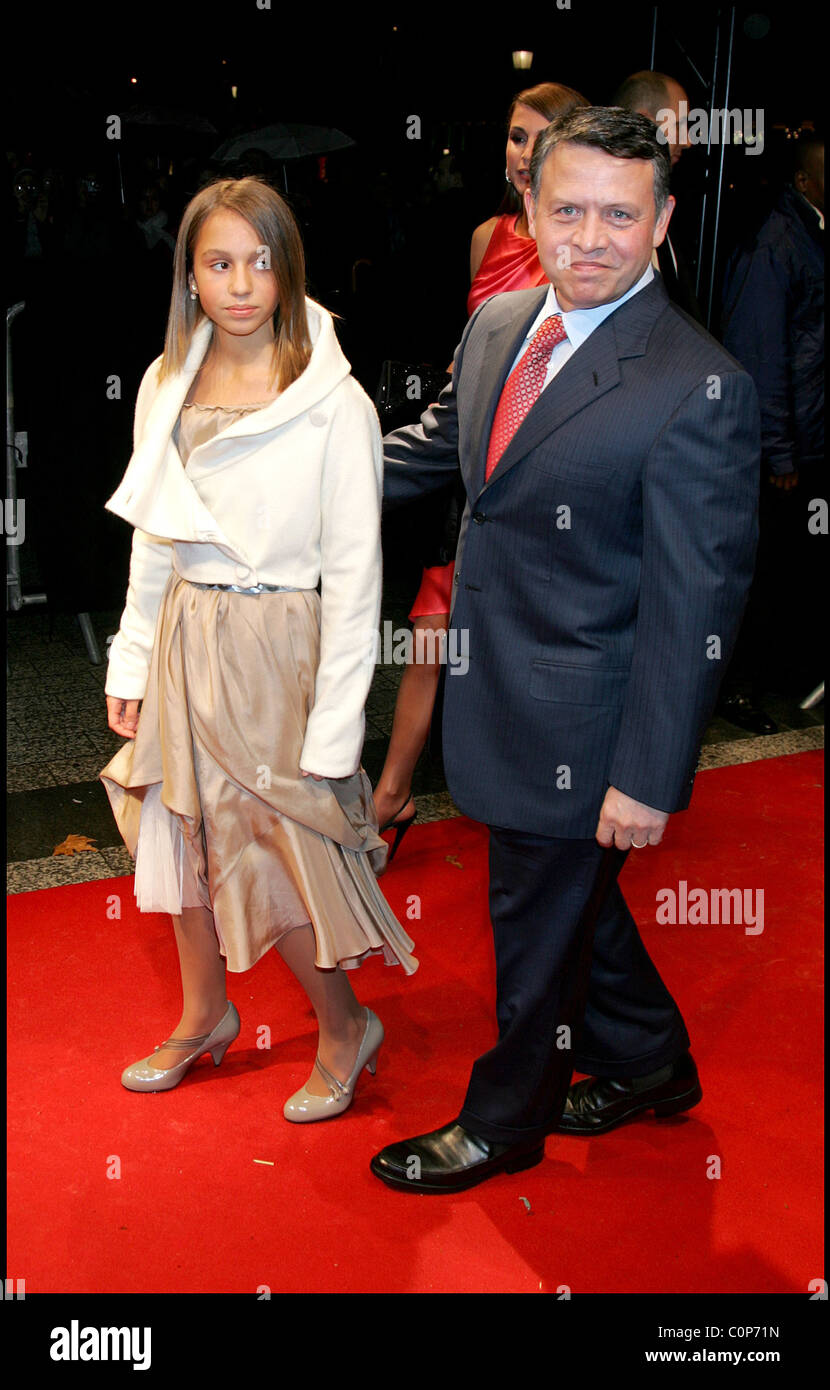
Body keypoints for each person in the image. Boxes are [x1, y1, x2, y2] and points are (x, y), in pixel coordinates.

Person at [371, 107, 759, 1194]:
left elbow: (695, 607)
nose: (590, 238)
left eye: (619, 216)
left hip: (585, 723)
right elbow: (442, 451)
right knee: (572, 904)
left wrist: (646, 775)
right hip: (492, 686)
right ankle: (645, 1061)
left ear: (663, 219)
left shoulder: (697, 386)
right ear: (529, 210)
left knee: (531, 921)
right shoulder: (502, 325)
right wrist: (290, 476)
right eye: (568, 209)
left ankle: (505, 1118)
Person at [100, 176, 417, 1124]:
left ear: (289, 269)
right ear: (189, 275)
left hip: (281, 646)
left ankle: (345, 1024)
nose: (241, 284)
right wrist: (129, 661)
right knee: (179, 832)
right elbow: (154, 536)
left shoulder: (336, 400)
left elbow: (359, 578)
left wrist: (337, 723)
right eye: (219, 263)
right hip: (184, 637)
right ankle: (205, 1015)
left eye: (262, 261)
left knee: (280, 852)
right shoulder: (164, 381)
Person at [372, 82, 588, 846]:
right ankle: (392, 796)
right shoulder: (484, 236)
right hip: (469, 469)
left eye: (541, 136)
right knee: (431, 635)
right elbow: (469, 372)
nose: (523, 152)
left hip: (544, 480)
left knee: (504, 651)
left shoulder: (584, 248)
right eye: (514, 135)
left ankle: (532, 805)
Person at [718, 136, 824, 716]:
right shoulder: (779, 242)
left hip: (806, 439)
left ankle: (775, 676)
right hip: (780, 447)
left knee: (792, 570)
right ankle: (740, 685)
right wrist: (779, 452)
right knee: (760, 571)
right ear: (804, 183)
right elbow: (759, 352)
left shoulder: (810, 235)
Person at [612, 69, 703, 322]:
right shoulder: (602, 212)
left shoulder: (659, 200)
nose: (687, 141)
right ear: (645, 123)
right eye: (679, 125)